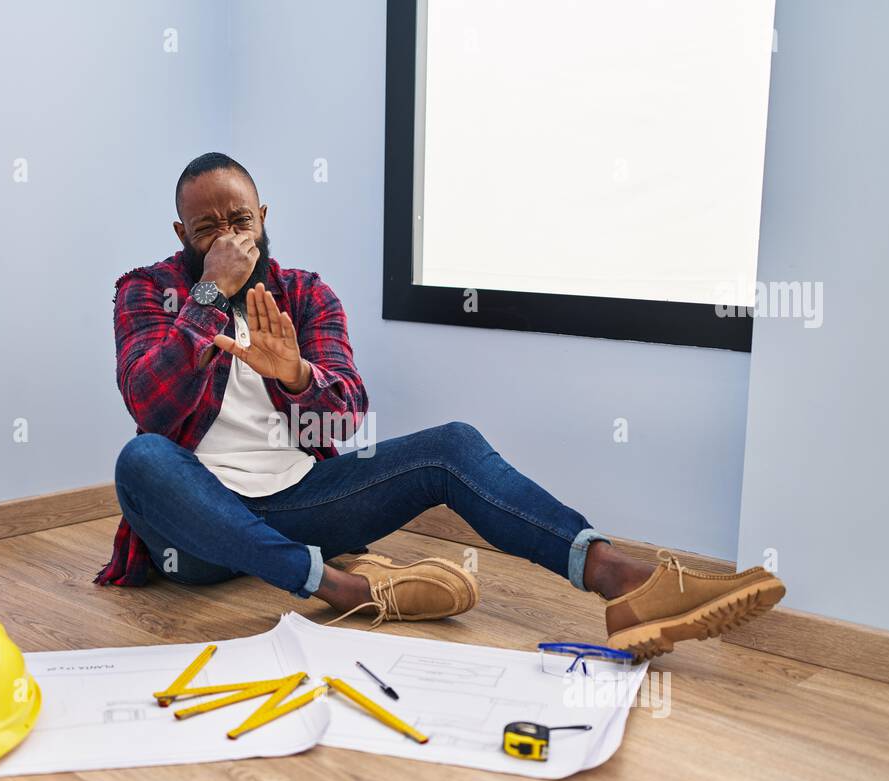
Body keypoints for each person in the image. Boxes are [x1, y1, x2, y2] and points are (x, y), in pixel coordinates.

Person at [95, 153, 785, 658]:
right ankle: (343, 590)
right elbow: (150, 404)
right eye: (206, 228)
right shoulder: (148, 293)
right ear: (182, 235)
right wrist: (209, 296)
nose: (227, 238)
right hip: (198, 531)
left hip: (299, 501)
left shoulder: (306, 294)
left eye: (239, 220)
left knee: (452, 443)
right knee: (142, 460)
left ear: (264, 217)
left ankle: (618, 578)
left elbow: (346, 419)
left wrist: (298, 376)